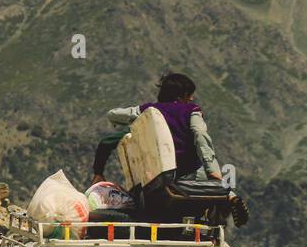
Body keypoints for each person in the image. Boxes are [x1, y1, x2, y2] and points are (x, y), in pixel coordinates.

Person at [91, 71, 224, 185]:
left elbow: (113, 115)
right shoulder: (190, 111)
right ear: (180, 95)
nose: (191, 98)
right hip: (190, 174)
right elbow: (200, 135)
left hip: (155, 178)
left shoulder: (148, 111)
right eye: (188, 94)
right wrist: (212, 169)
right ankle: (229, 198)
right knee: (221, 189)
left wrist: (98, 172)